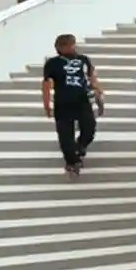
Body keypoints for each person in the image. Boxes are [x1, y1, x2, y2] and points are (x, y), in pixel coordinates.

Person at [42, 33, 102, 177]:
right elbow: (46, 85)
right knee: (65, 135)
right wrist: (46, 104)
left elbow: (92, 79)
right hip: (63, 103)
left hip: (82, 101)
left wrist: (99, 97)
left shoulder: (83, 60)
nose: (68, 47)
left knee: (89, 128)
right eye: (63, 46)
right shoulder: (52, 63)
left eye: (69, 44)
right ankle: (72, 161)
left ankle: (80, 146)